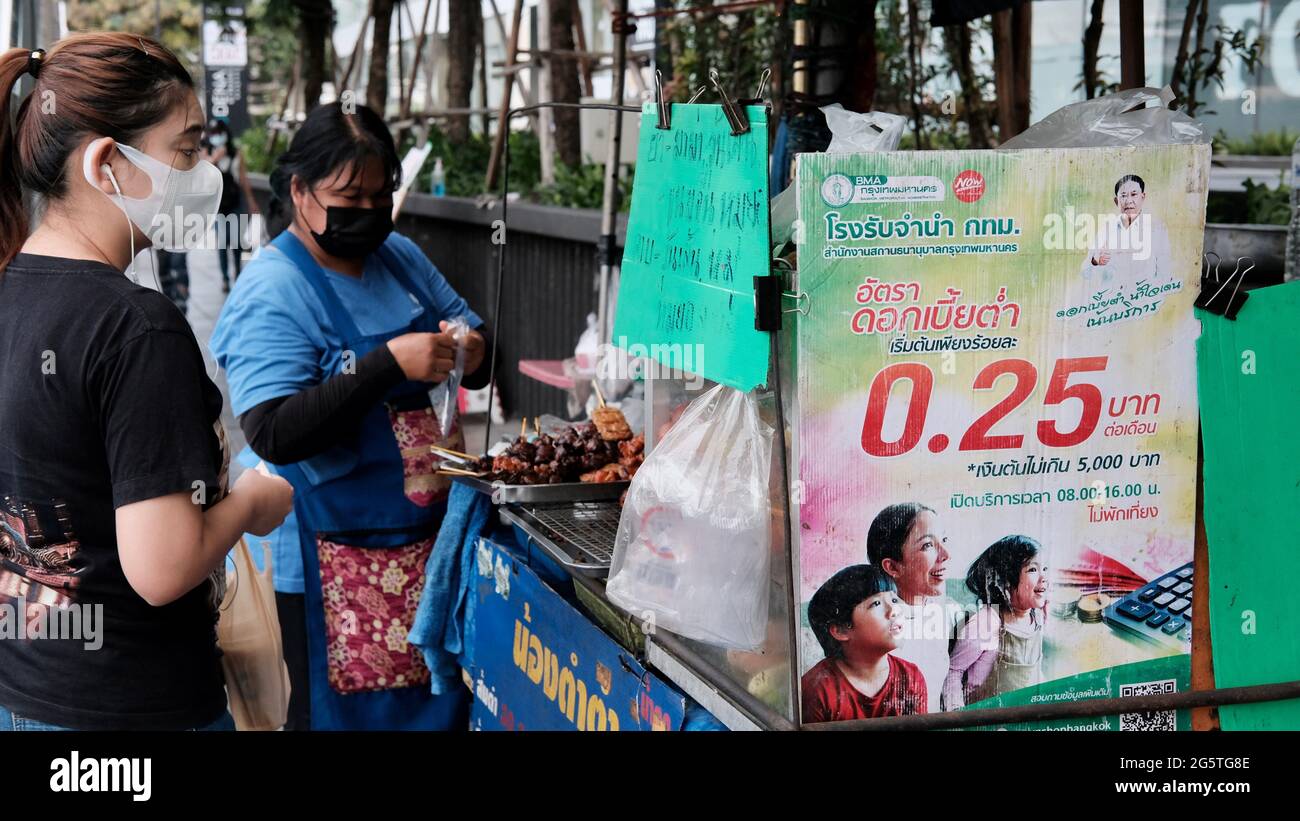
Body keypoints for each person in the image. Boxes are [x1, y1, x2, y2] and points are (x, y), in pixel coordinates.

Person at [0, 33, 293, 731]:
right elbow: (162, 566)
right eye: (187, 150)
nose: (204, 173)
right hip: (133, 713)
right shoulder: (136, 328)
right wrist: (251, 502)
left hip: (24, 695)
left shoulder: (11, 288)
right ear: (107, 163)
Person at [211, 101, 491, 730]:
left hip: (428, 548)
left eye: (379, 194)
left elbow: (481, 350)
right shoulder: (274, 289)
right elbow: (274, 431)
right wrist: (386, 365)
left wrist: (470, 350)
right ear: (300, 192)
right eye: (347, 195)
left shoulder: (400, 257)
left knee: (434, 709)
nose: (366, 212)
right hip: (327, 559)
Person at [865, 502, 963, 712]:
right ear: (892, 566)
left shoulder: (948, 611)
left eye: (943, 540)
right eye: (928, 545)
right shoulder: (876, 629)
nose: (946, 554)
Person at [801, 565, 927, 723]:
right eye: (876, 604)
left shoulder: (910, 677)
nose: (894, 610)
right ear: (841, 630)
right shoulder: (817, 690)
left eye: (894, 599)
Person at [942, 535, 1049, 710]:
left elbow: (1031, 674)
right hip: (984, 719)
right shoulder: (987, 623)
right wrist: (958, 719)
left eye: (1045, 568)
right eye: (1032, 570)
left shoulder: (1035, 618)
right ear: (1005, 581)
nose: (1043, 577)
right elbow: (953, 672)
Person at [1080, 174, 1173, 283]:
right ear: (1116, 201)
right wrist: (1095, 261)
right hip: (1111, 298)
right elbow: (1085, 273)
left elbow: (1165, 273)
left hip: (1143, 296)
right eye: (1123, 196)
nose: (1129, 201)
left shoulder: (1157, 229)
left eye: (1134, 194)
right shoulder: (1106, 229)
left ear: (1142, 197)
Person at [203, 119, 258, 292]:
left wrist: (251, 202)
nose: (217, 137)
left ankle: (238, 275)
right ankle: (225, 278)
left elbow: (243, 179)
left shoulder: (236, 154)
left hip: (236, 201)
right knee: (223, 241)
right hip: (218, 204)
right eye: (213, 134)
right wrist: (215, 158)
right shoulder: (206, 152)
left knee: (236, 241)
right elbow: (202, 174)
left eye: (219, 133)